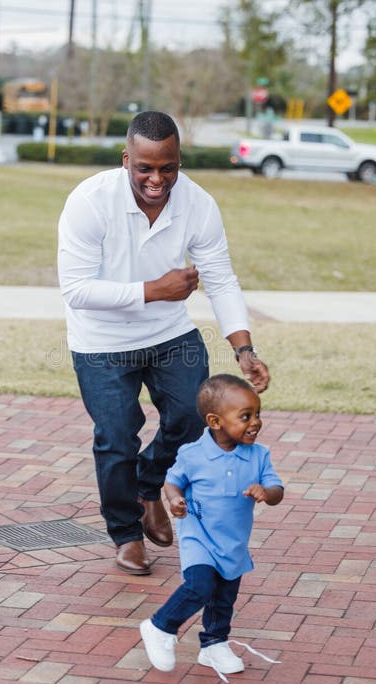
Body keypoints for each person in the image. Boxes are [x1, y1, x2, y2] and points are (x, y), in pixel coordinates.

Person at [57, 110, 270, 575]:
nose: (157, 179)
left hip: (169, 333)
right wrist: (156, 289)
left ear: (178, 160)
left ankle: (148, 484)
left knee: (196, 414)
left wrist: (244, 348)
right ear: (126, 159)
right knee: (115, 437)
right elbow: (75, 289)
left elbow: (220, 278)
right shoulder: (89, 201)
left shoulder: (197, 202)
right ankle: (127, 533)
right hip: (101, 340)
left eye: (167, 167)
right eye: (145, 168)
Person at [139, 374, 284, 679]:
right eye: (245, 416)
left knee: (224, 597)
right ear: (215, 421)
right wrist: (175, 500)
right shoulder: (193, 454)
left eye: (258, 414)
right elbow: (172, 482)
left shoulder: (260, 455)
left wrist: (266, 492)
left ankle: (214, 645)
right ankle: (159, 626)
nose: (255, 422)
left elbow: (277, 490)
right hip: (199, 536)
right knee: (200, 586)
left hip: (232, 542)